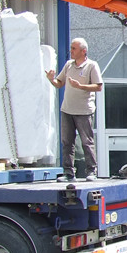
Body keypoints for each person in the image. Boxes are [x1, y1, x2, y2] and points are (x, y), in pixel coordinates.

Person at [45, 38, 103, 182]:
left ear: (84, 51)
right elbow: (59, 83)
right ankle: (68, 173)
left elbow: (98, 86)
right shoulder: (69, 65)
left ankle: (91, 171)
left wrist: (80, 86)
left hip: (84, 111)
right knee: (67, 143)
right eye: (71, 48)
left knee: (86, 142)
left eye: (74, 48)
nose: (70, 51)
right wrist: (51, 79)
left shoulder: (91, 65)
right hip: (67, 109)